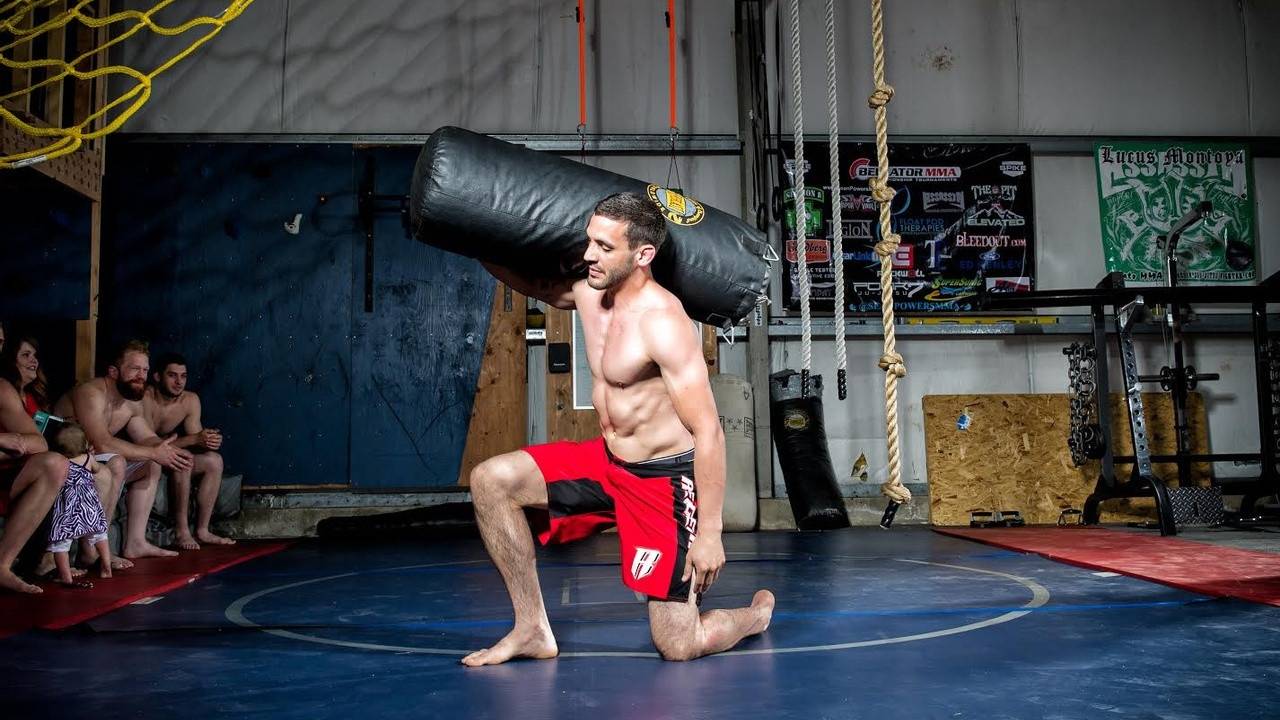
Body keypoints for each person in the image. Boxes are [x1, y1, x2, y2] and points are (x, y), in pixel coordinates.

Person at [463, 192, 773, 665]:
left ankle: (756, 615)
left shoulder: (663, 322)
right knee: (491, 481)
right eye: (590, 241)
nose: (589, 254)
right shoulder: (590, 292)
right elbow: (541, 286)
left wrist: (710, 533)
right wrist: (472, 239)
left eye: (605, 247)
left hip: (661, 479)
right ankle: (531, 629)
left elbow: (708, 431)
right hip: (608, 462)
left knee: (678, 645)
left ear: (643, 254)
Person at [53, 340, 193, 564]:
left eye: (145, 370)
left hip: (94, 463)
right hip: (64, 464)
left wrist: (166, 450)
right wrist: (153, 452)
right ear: (113, 371)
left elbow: (146, 438)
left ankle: (135, 543)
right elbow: (101, 443)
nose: (141, 376)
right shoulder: (91, 392)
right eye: (135, 369)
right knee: (118, 462)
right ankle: (92, 550)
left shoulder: (131, 403)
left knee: (151, 464)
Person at [143, 353, 233, 549]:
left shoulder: (190, 400)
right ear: (157, 376)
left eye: (183, 376)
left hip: (168, 453)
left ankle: (202, 530)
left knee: (214, 461)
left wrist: (208, 440)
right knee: (183, 459)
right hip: (145, 455)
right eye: (172, 375)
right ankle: (181, 531)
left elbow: (196, 438)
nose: (179, 382)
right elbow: (149, 445)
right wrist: (194, 439)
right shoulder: (145, 398)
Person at [0, 373, 68, 593]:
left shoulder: (2, 388)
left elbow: (38, 442)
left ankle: (2, 566)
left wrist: (11, 445)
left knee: (55, 463)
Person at [45, 423, 113, 588]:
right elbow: (97, 470)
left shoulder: (62, 462)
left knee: (61, 544)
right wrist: (90, 458)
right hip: (89, 505)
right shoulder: (88, 459)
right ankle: (106, 567)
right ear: (85, 444)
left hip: (68, 508)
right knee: (100, 534)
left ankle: (66, 577)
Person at [0, 335, 51, 416]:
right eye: (26, 355)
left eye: (35, 356)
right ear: (12, 361)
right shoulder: (4, 394)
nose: (35, 360)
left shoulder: (33, 397)